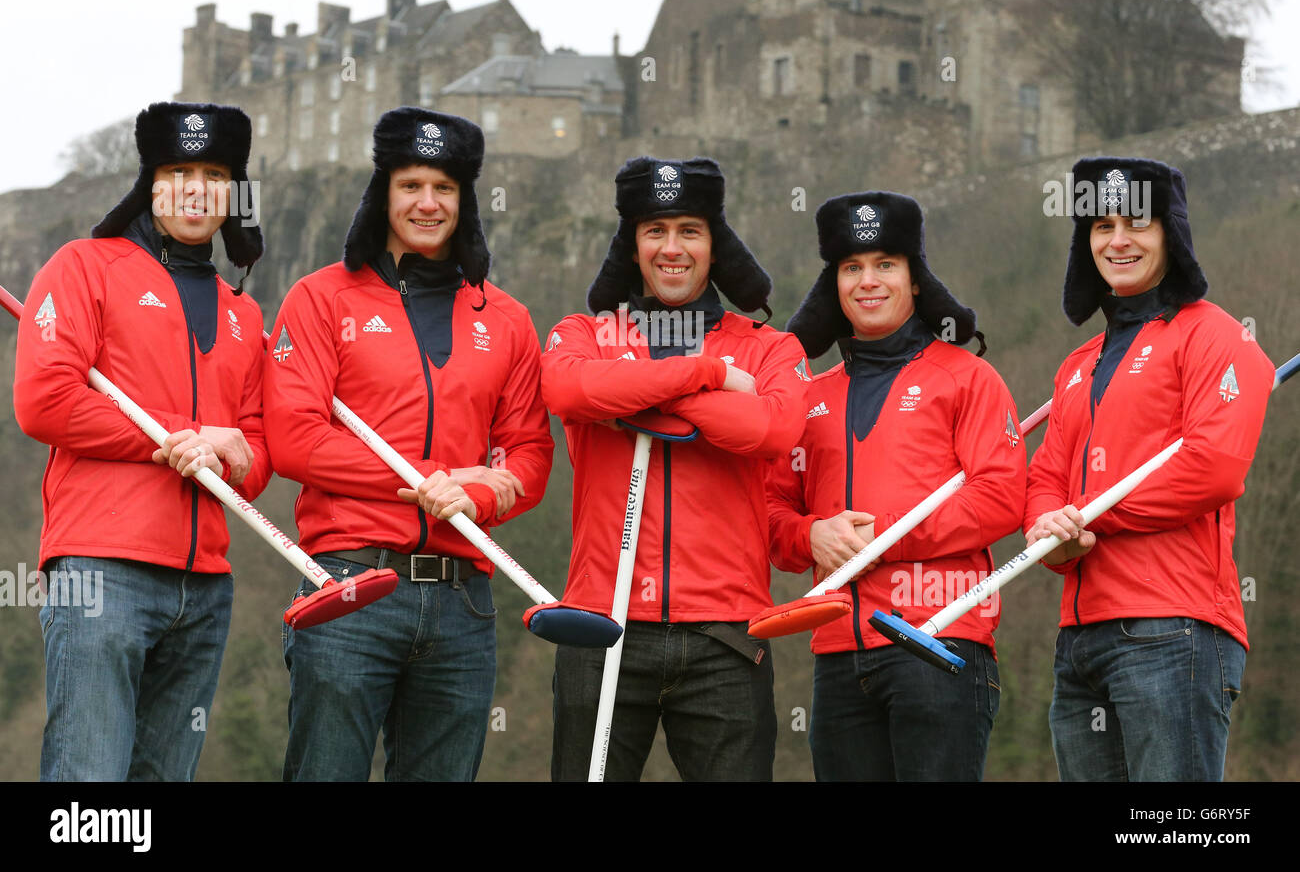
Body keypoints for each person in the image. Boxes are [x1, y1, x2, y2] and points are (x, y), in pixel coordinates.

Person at [263, 107, 553, 781]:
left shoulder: (507, 318)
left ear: (465, 199)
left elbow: (530, 452)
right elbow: (294, 439)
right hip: (348, 582)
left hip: (465, 599)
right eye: (411, 186)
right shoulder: (319, 298)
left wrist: (481, 489)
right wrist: (424, 477)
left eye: (445, 188)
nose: (429, 203)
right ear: (382, 193)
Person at [13, 101, 269, 780]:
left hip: (207, 587)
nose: (195, 187)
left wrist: (233, 453)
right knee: (89, 782)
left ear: (233, 192)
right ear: (150, 181)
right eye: (177, 169)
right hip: (101, 572)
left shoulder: (246, 313)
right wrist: (175, 438)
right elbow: (45, 403)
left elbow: (257, 450)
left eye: (214, 173)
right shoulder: (83, 266)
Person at [543, 156, 808, 781]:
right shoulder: (582, 332)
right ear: (631, 247)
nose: (672, 248)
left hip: (726, 633)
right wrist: (707, 375)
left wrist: (637, 396)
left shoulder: (772, 346)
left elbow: (772, 428)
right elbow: (567, 391)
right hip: (601, 623)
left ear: (716, 246)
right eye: (654, 230)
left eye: (689, 230)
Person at [1023, 156, 1274, 781]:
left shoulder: (1215, 336)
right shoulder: (1078, 363)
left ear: (1171, 233)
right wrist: (1046, 531)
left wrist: (1093, 519)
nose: (1118, 240)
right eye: (1102, 225)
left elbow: (1212, 468)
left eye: (1138, 222)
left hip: (1175, 630)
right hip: (1078, 641)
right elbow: (1046, 477)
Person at [767, 191, 1025, 780]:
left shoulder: (969, 378)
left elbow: (1000, 497)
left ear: (915, 278)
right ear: (833, 283)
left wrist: (882, 538)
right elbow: (769, 512)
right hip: (836, 652)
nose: (868, 281)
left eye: (886, 264)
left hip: (938, 639)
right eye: (851, 268)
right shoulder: (806, 398)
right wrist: (811, 537)